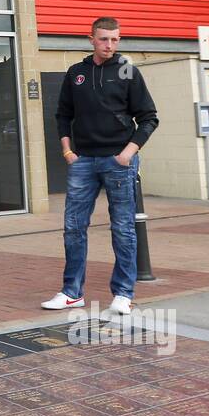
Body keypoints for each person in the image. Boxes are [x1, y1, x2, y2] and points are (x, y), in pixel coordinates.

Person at [42, 16, 159, 318]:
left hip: (117, 160)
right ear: (91, 39)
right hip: (83, 162)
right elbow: (62, 115)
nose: (110, 45)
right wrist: (67, 151)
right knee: (73, 227)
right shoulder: (75, 73)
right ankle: (71, 293)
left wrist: (128, 153)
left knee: (122, 228)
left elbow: (148, 117)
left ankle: (123, 294)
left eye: (115, 39)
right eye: (104, 39)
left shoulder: (127, 72)